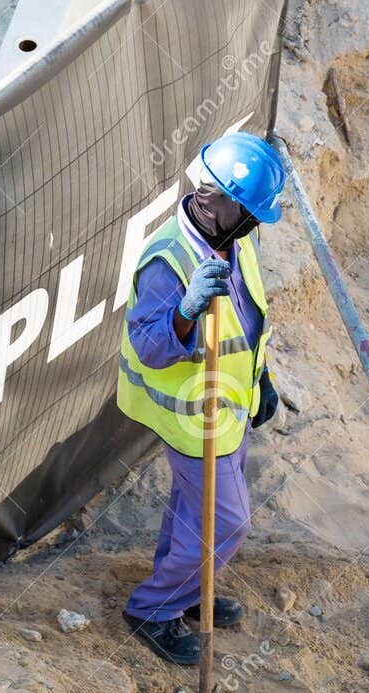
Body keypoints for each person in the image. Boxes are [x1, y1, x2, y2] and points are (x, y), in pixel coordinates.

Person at [117, 132, 286, 665]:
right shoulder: (169, 258)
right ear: (214, 199)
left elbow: (249, 320)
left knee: (196, 512)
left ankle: (191, 589)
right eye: (250, 210)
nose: (256, 222)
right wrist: (185, 311)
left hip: (229, 407)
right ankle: (154, 609)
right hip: (193, 417)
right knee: (228, 522)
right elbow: (148, 346)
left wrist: (262, 381)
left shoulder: (236, 238)